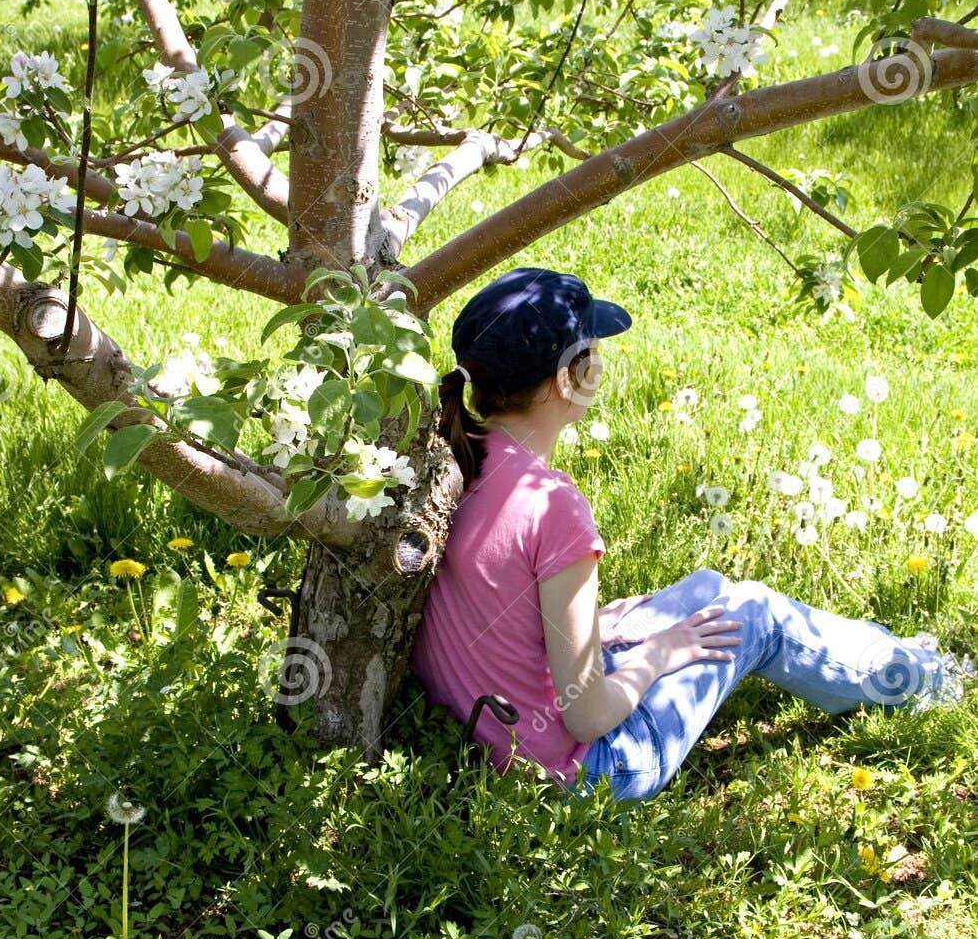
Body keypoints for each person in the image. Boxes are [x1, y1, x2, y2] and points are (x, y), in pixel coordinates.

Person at [410, 266, 971, 802]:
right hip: (588, 771)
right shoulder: (553, 508)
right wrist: (658, 654)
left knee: (706, 589)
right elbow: (585, 715)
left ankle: (884, 654)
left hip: (492, 737)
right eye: (593, 349)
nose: (601, 360)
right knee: (756, 615)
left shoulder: (459, 461)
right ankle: (932, 678)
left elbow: (502, 609)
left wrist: (612, 627)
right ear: (564, 380)